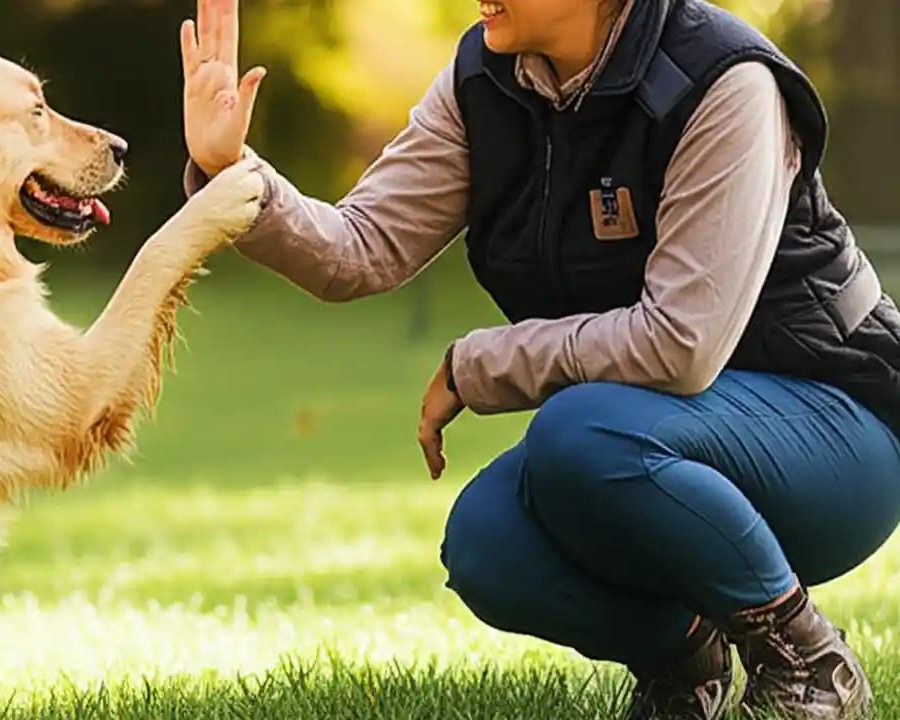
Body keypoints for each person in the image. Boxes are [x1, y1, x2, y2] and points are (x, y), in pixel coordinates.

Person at [178, 0, 900, 718]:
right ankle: (687, 661)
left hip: (837, 431)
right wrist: (231, 172)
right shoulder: (484, 81)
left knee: (577, 432)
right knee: (488, 543)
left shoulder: (722, 81)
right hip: (653, 436)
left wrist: (478, 364)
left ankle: (809, 664)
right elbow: (358, 249)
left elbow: (681, 345)